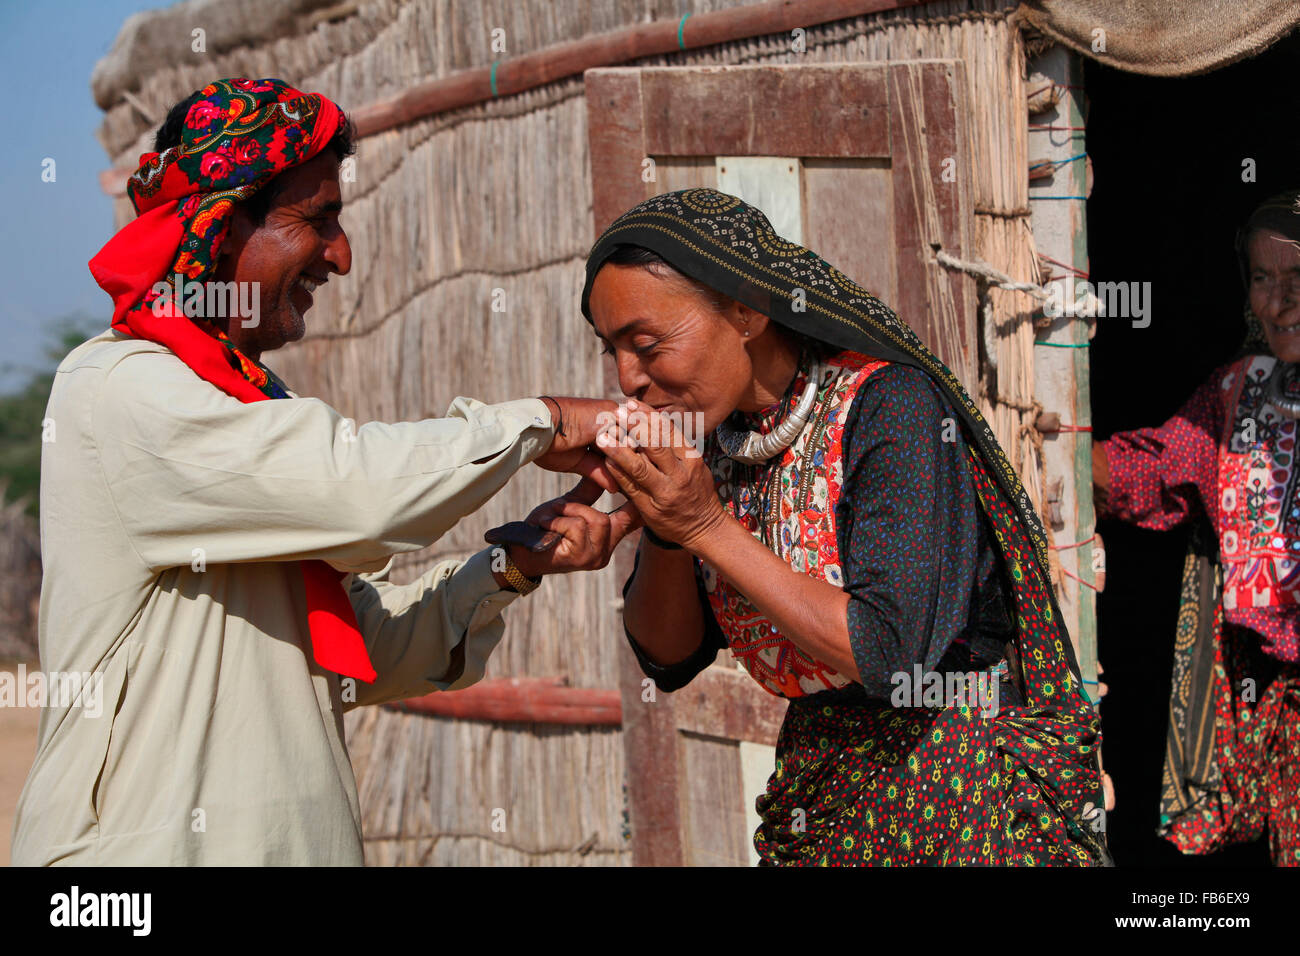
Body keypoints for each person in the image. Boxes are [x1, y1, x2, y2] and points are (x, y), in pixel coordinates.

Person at [11, 78, 632, 866]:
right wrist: (545, 421)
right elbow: (359, 494)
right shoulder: (117, 390)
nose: (339, 256)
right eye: (317, 220)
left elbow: (358, 648)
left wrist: (508, 568)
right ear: (221, 226)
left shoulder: (239, 409)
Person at [582, 188, 1109, 866]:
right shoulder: (712, 439)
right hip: (824, 797)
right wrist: (663, 522)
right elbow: (669, 657)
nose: (629, 378)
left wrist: (705, 525)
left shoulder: (892, 409)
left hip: (956, 794)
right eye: (613, 351)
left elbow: (891, 652)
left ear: (744, 309)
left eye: (647, 344)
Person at [1093, 190, 1300, 866]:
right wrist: (1057, 446)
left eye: (1299, 277)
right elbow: (1156, 466)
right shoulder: (1238, 390)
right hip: (1268, 696)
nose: (1282, 301)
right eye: (1264, 279)